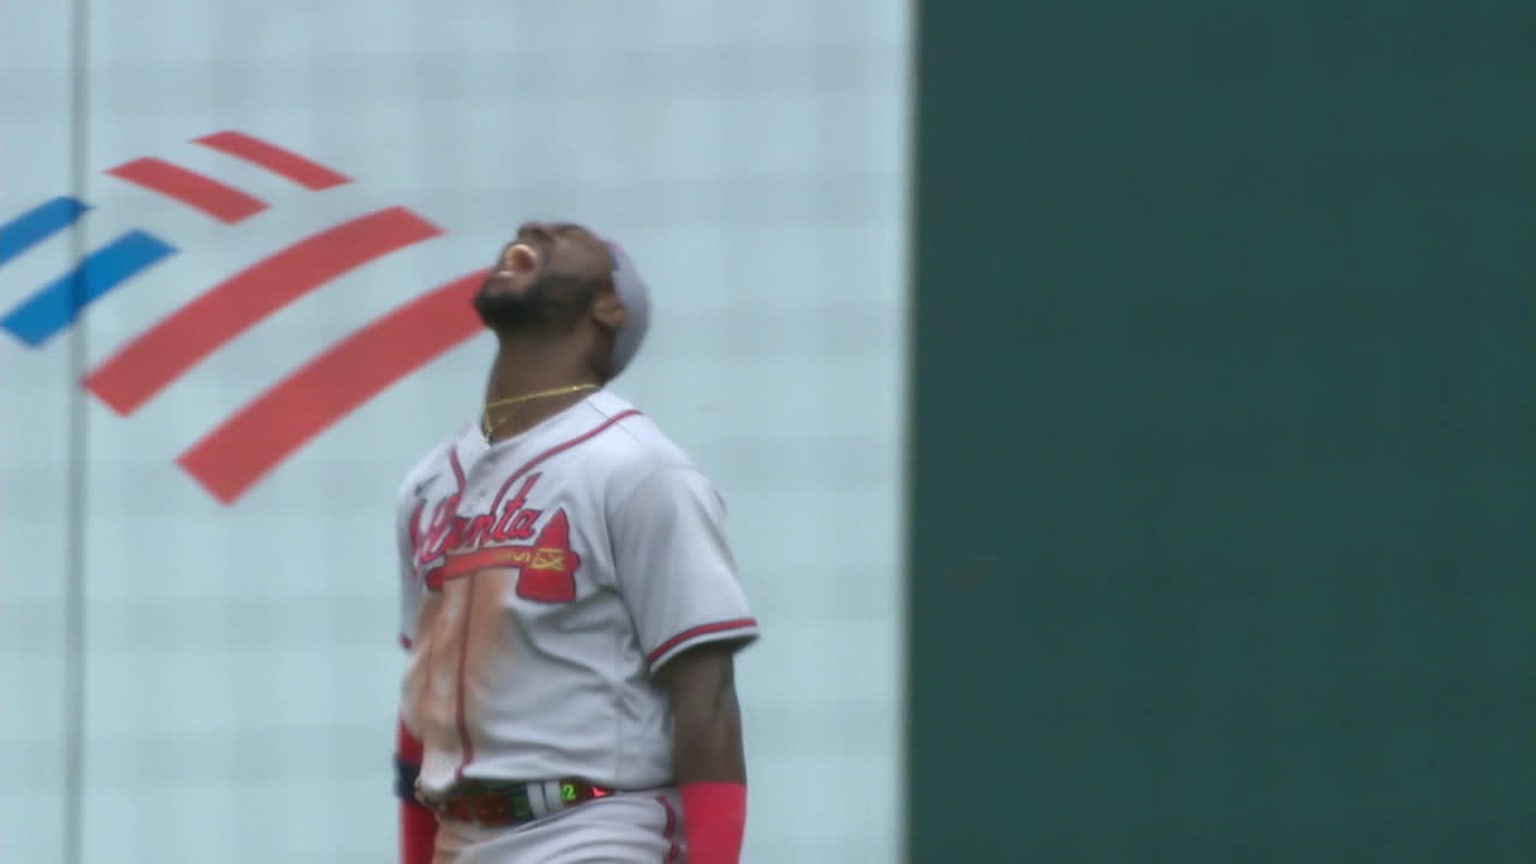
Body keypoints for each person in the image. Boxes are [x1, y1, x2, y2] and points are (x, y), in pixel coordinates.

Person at [392, 222, 759, 863]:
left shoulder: (640, 469)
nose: (535, 229)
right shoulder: (428, 485)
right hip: (462, 837)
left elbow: (707, 699)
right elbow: (422, 714)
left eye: (567, 236)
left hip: (594, 829)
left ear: (609, 308)